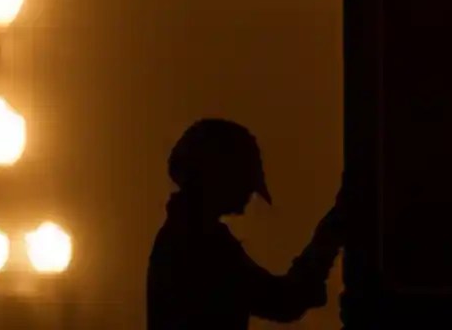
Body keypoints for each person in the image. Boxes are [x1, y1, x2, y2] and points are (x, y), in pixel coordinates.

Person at [147, 119, 343, 329]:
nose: (249, 193)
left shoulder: (181, 237)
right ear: (221, 175)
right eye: (244, 179)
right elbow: (283, 301)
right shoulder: (202, 244)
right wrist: (329, 236)